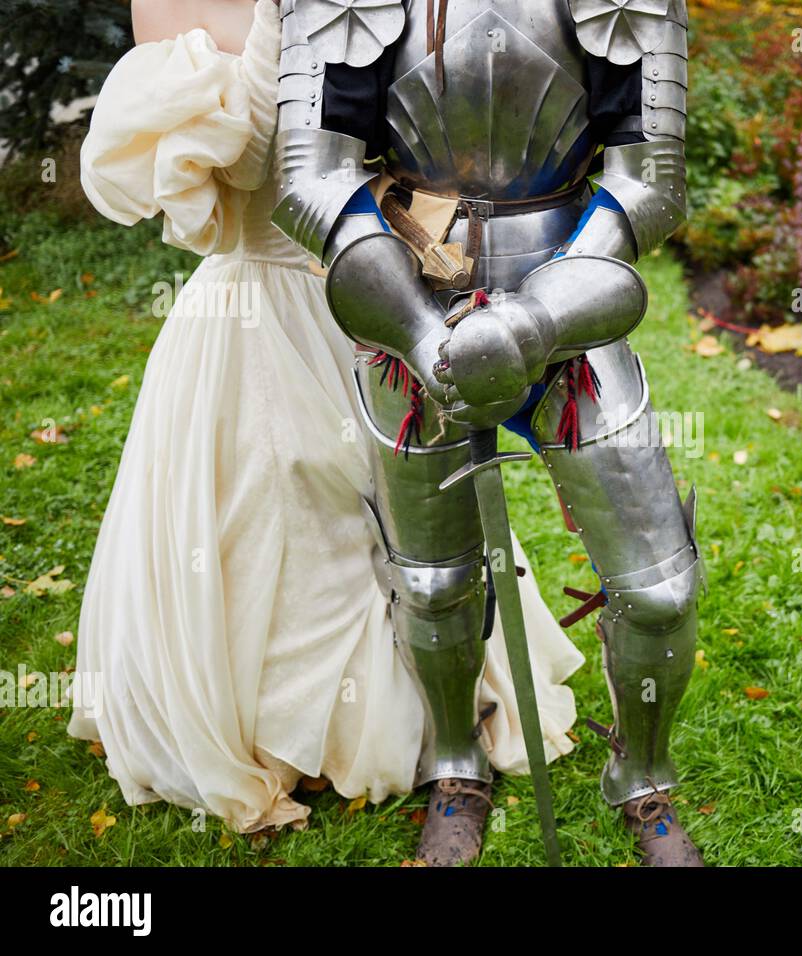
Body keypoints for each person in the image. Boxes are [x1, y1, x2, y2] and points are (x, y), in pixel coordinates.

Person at [69, 0, 584, 846]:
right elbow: (233, 172)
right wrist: (279, 23)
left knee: (418, 518)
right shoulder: (170, 2)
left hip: (380, 296)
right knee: (270, 492)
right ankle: (277, 728)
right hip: (254, 307)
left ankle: (447, 714)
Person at [268, 0, 704, 866]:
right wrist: (426, 338)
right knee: (433, 584)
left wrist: (535, 323)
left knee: (658, 590)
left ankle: (642, 775)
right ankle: (458, 765)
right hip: (409, 302)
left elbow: (651, 178)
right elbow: (310, 180)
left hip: (573, 296)